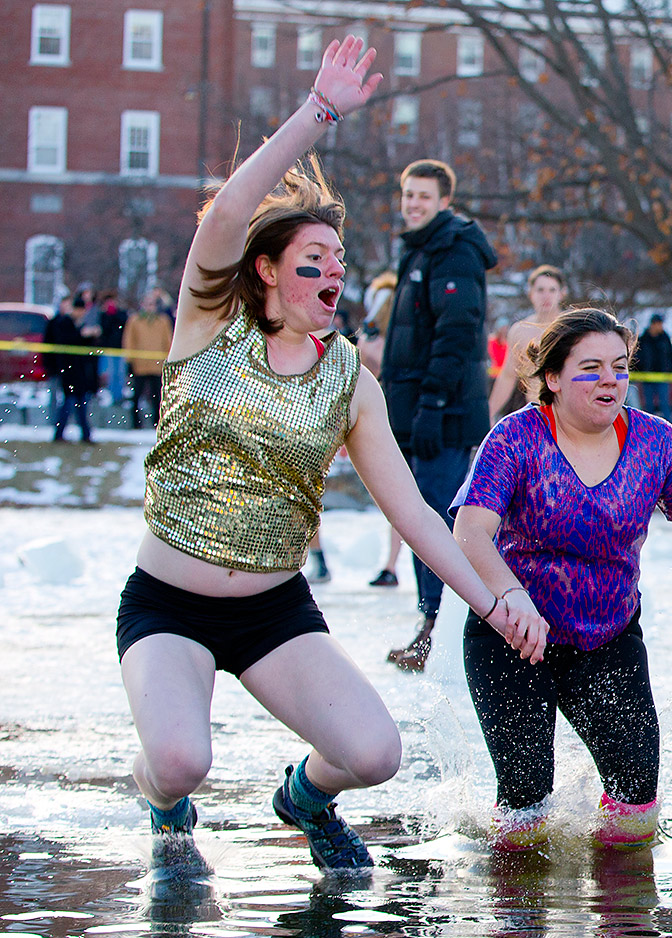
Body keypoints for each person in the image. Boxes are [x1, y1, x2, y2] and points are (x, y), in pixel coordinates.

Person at [117, 37, 520, 874]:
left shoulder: (351, 382)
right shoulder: (207, 328)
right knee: (182, 761)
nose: (335, 270)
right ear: (265, 271)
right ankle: (161, 798)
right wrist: (319, 113)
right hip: (169, 605)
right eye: (313, 261)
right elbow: (227, 213)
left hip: (273, 611)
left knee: (375, 754)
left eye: (340, 260)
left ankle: (303, 797)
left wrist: (490, 603)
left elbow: (416, 516)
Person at [451, 308, 672, 851]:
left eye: (619, 366)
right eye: (591, 368)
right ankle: (517, 902)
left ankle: (624, 900)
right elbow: (470, 531)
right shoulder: (516, 438)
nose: (610, 380)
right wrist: (511, 597)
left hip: (608, 636)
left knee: (636, 797)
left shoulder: (655, 442)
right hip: (515, 637)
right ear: (553, 378)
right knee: (525, 801)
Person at [379, 158, 499, 673]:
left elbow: (456, 331)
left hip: (442, 413)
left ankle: (443, 628)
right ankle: (430, 621)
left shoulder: (453, 249)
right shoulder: (421, 247)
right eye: (408, 195)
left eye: (424, 196)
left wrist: (432, 403)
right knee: (416, 517)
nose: (413, 204)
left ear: (445, 201)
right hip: (415, 408)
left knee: (436, 519)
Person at [358, 271, 403, 588]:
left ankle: (391, 564)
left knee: (401, 496)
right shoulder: (375, 336)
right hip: (382, 415)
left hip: (392, 415)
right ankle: (391, 563)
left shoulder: (389, 338)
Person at [489, 265, 566, 425]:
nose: (546, 296)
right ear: (531, 293)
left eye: (552, 290)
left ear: (561, 293)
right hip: (536, 416)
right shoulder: (520, 330)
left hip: (569, 416)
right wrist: (490, 412)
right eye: (540, 290)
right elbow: (508, 376)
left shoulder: (573, 329)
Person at [44, 294, 97, 442]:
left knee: (79, 402)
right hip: (68, 369)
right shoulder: (64, 323)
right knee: (70, 401)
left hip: (79, 370)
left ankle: (84, 434)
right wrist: (82, 334)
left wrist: (89, 335)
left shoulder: (78, 324)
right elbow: (66, 341)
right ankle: (62, 433)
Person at [125, 288, 173, 429]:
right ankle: (135, 423)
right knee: (136, 395)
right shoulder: (134, 321)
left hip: (157, 365)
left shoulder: (163, 321)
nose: (149, 307)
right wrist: (129, 360)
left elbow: (168, 341)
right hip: (139, 364)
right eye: (147, 304)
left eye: (152, 304)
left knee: (157, 396)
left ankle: (157, 422)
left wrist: (169, 360)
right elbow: (129, 341)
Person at [635, 314, 672, 423]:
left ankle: (669, 427)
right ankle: (648, 427)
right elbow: (638, 356)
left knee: (665, 404)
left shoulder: (665, 338)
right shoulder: (644, 338)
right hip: (647, 376)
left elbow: (670, 355)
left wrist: (668, 370)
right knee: (648, 406)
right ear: (653, 324)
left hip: (662, 376)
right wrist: (641, 369)